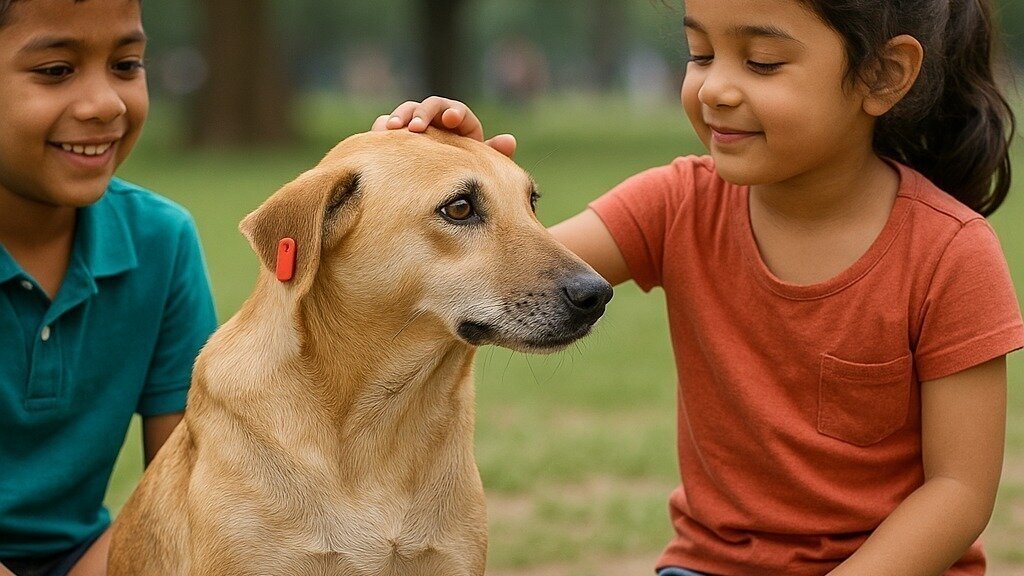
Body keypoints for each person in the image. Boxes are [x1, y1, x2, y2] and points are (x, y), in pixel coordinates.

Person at [376, 0, 1024, 574]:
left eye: (762, 61)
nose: (715, 89)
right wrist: (452, 174)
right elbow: (512, 278)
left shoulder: (951, 253)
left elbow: (958, 491)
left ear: (882, 75)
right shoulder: (677, 203)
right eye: (701, 54)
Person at [0, 1, 217, 575]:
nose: (106, 104)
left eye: (126, 64)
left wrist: (419, 158)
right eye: (55, 71)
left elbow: (184, 494)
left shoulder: (160, 242)